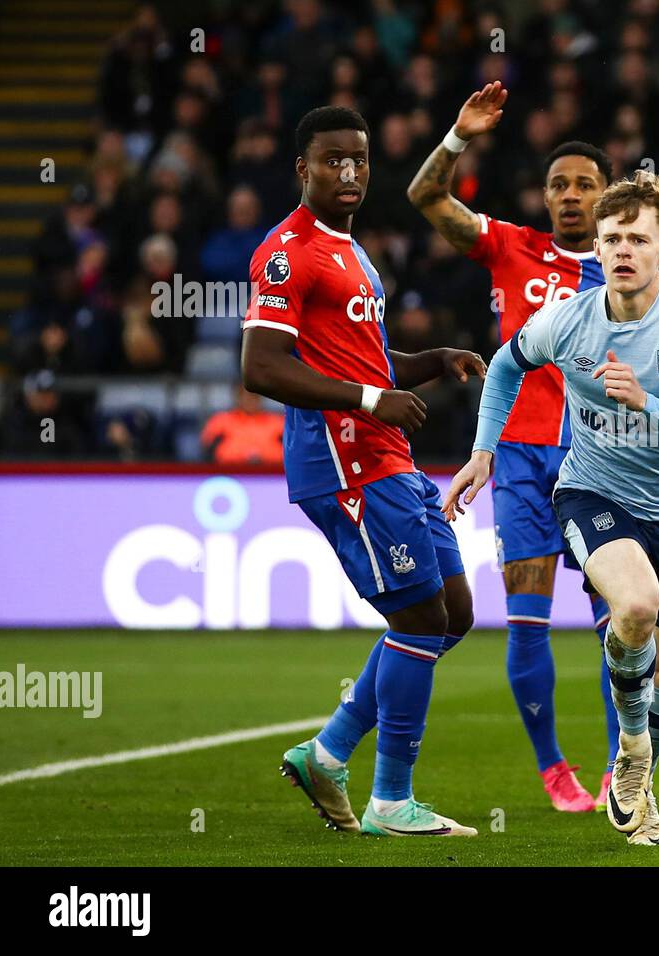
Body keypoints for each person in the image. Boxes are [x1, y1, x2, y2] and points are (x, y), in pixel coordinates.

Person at [443, 170, 659, 846]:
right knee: (632, 609)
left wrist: (647, 404)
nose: (622, 250)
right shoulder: (567, 321)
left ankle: (641, 775)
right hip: (591, 491)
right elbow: (507, 364)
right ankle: (630, 756)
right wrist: (485, 451)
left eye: (638, 237)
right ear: (597, 249)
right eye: (611, 238)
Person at [240, 106, 486, 838]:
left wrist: (431, 362)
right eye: (332, 160)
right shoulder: (286, 253)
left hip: (386, 457)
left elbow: (365, 363)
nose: (348, 172)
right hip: (343, 463)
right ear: (302, 168)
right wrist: (371, 397)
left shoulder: (352, 250)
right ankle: (390, 802)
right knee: (417, 617)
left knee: (454, 615)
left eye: (359, 160)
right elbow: (262, 366)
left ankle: (328, 753)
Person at [406, 80, 620, 812]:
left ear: (607, 197)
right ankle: (554, 769)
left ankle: (624, 764)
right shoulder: (511, 247)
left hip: (603, 459)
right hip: (523, 458)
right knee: (528, 618)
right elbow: (427, 199)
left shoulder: (631, 273)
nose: (568, 196)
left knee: (619, 625)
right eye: (558, 184)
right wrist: (459, 136)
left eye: (584, 185)